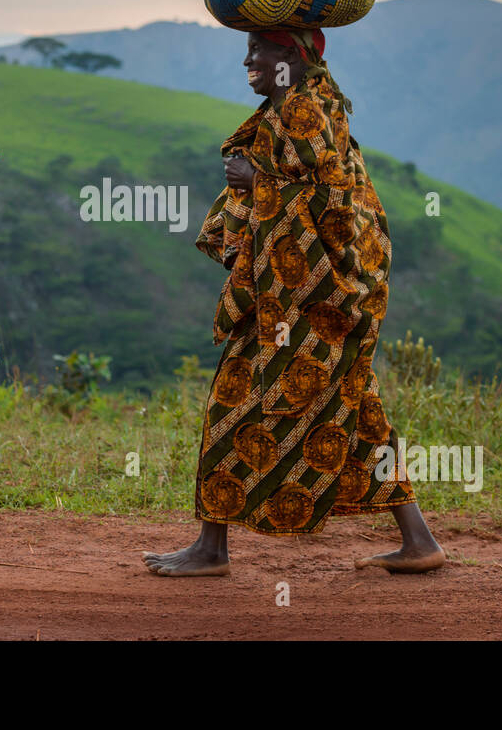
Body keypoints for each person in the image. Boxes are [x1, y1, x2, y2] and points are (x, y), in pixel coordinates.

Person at [143, 28, 445, 576]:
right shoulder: (295, 102)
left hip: (318, 293)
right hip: (302, 288)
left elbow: (333, 205)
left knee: (233, 404)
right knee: (354, 409)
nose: (247, 60)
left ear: (289, 55)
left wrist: (259, 180)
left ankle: (211, 551)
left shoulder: (306, 109)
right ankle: (419, 541)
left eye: (259, 50)